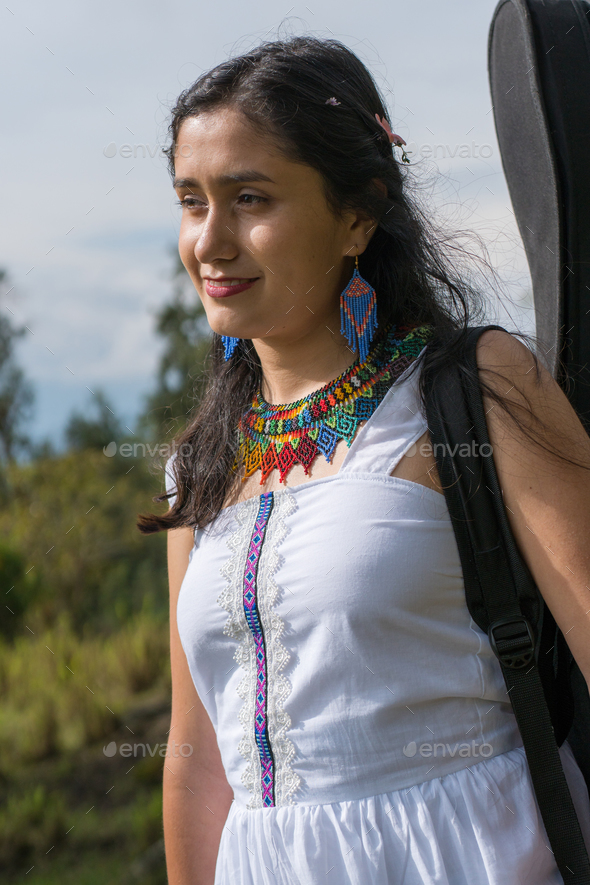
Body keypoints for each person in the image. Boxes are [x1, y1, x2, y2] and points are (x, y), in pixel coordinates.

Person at [137, 35, 590, 885]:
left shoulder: (477, 390)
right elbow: (199, 762)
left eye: (250, 198)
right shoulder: (196, 468)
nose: (211, 241)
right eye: (192, 202)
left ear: (359, 214)